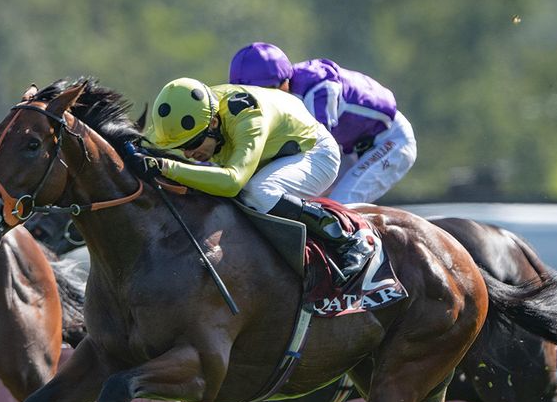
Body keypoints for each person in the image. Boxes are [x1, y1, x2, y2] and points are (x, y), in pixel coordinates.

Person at [137, 77, 373, 283]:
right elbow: (142, 143)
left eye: (191, 144)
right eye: (180, 148)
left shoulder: (248, 119)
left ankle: (346, 239)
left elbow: (232, 183)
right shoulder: (196, 118)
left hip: (315, 153)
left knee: (257, 192)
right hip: (275, 152)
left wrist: (167, 166)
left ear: (214, 123)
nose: (188, 154)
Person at [229, 42, 417, 205]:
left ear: (284, 83)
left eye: (264, 92)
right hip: (346, 150)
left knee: (341, 203)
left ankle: (363, 246)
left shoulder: (318, 88)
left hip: (389, 142)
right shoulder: (276, 89)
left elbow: (316, 147)